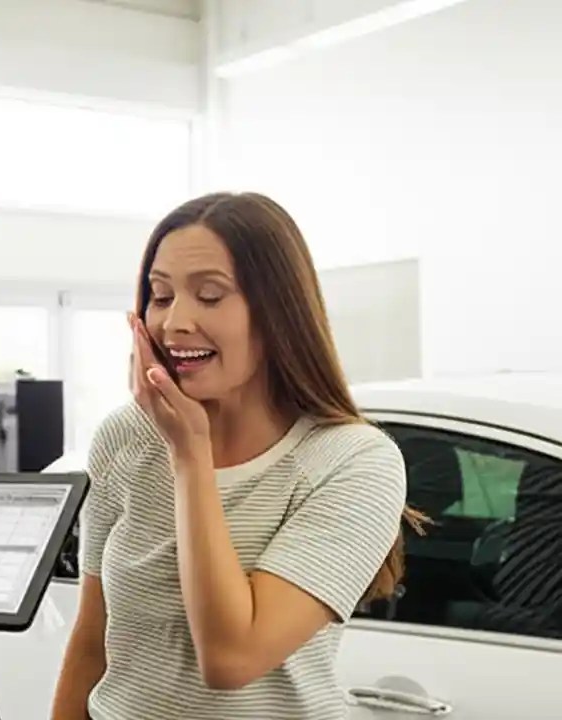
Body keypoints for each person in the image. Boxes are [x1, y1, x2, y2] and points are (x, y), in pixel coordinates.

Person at [50, 192, 429, 719]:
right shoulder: (125, 438)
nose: (175, 322)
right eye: (160, 296)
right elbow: (92, 640)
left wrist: (190, 453)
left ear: (278, 311)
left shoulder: (353, 461)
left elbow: (230, 659)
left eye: (209, 296)